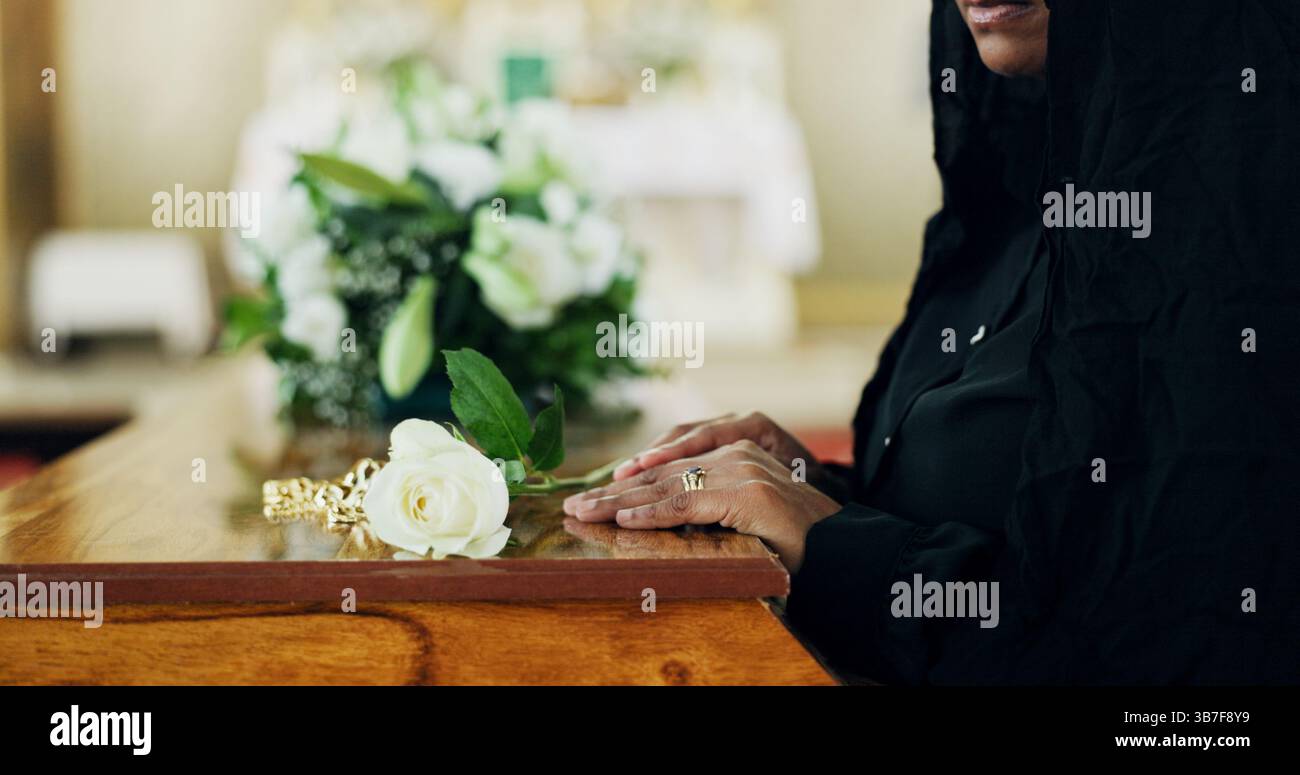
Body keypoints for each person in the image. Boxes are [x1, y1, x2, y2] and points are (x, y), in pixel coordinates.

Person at [564, 0, 1300, 684]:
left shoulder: (1244, 242)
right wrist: (810, 489)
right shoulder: (1028, 190)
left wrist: (840, 549)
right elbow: (1037, 512)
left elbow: (1180, 669)